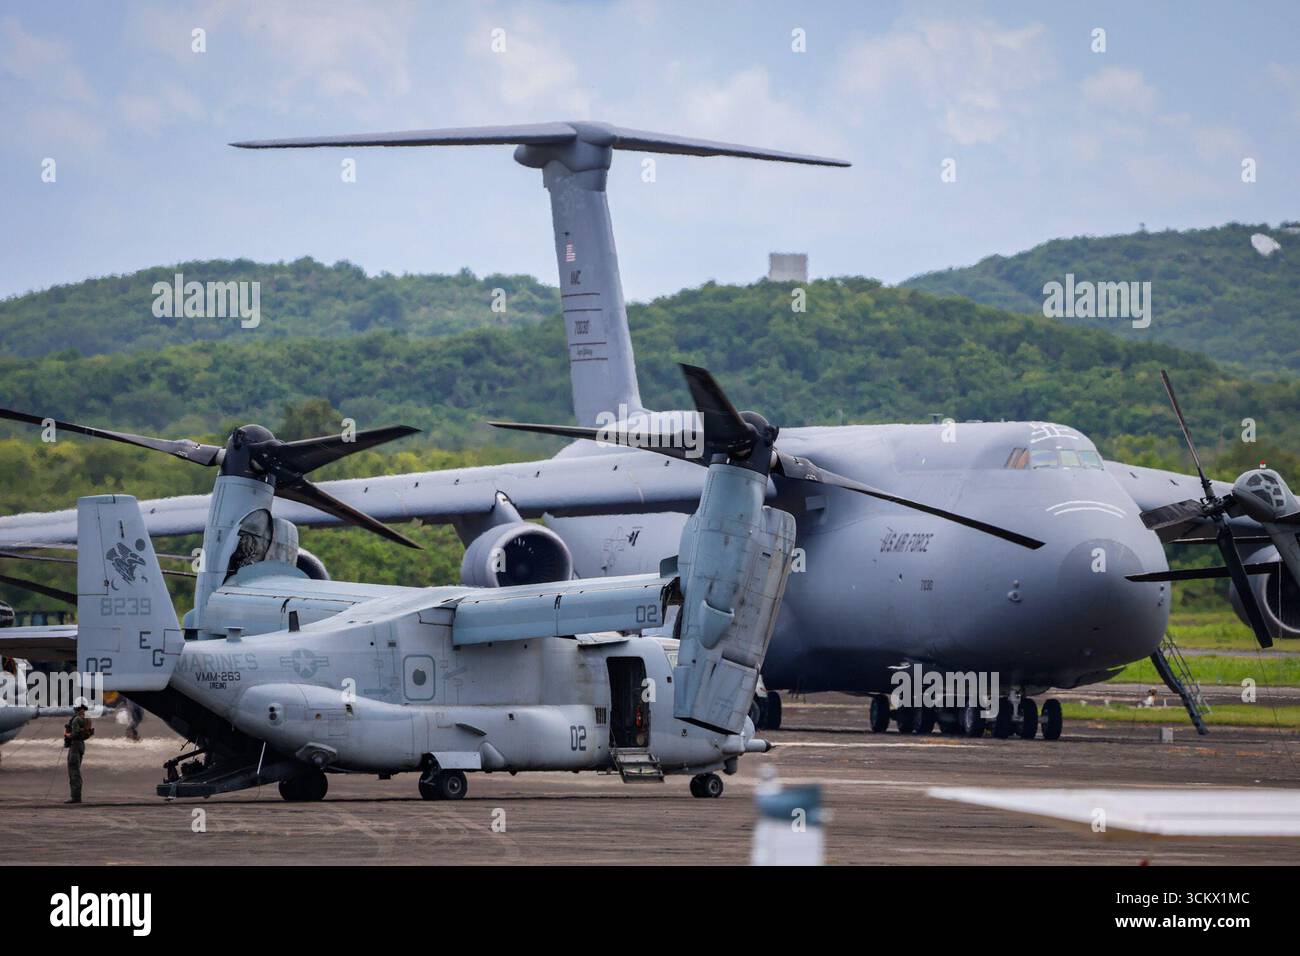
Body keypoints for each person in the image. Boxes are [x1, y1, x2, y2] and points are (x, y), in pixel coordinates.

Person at [64, 700, 94, 804]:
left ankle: (76, 797)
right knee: (76, 769)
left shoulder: (76, 719)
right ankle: (76, 795)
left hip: (75, 746)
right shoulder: (86, 718)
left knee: (74, 771)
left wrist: (68, 736)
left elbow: (75, 734)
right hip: (81, 745)